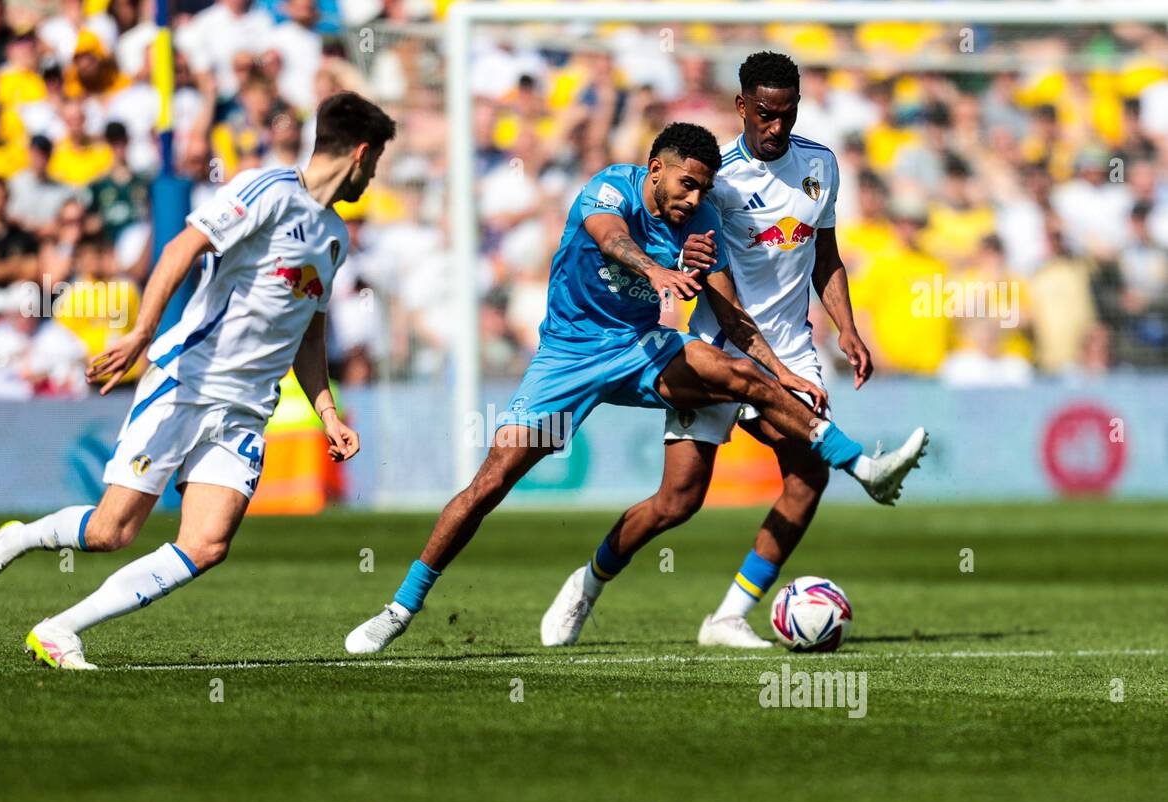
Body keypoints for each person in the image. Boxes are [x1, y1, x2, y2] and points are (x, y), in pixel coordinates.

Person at [344, 122, 926, 656]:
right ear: (655, 169)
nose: (694, 200)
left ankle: (862, 466)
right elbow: (609, 237)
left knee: (747, 379)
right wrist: (656, 270)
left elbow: (730, 314)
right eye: (686, 185)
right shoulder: (609, 188)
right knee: (493, 479)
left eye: (704, 190)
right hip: (567, 358)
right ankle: (399, 609)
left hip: (641, 348)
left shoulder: (702, 223)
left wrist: (784, 370)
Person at [0, 91, 396, 670]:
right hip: (187, 382)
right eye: (377, 161)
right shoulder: (268, 191)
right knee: (113, 530)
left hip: (245, 411)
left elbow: (309, 332)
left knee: (207, 544)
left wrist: (327, 413)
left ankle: (59, 629)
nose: (375, 174)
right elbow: (183, 246)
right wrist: (140, 333)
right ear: (361, 153)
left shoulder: (334, 238)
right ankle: (14, 539)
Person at [540, 51, 928, 650]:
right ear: (742, 106)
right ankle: (587, 583)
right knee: (677, 501)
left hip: (793, 346)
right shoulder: (715, 181)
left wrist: (847, 328)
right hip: (723, 345)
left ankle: (728, 615)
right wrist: (763, 367)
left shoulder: (820, 165)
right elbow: (712, 284)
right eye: (767, 113)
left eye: (789, 113)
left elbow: (825, 256)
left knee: (806, 477)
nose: (778, 126)